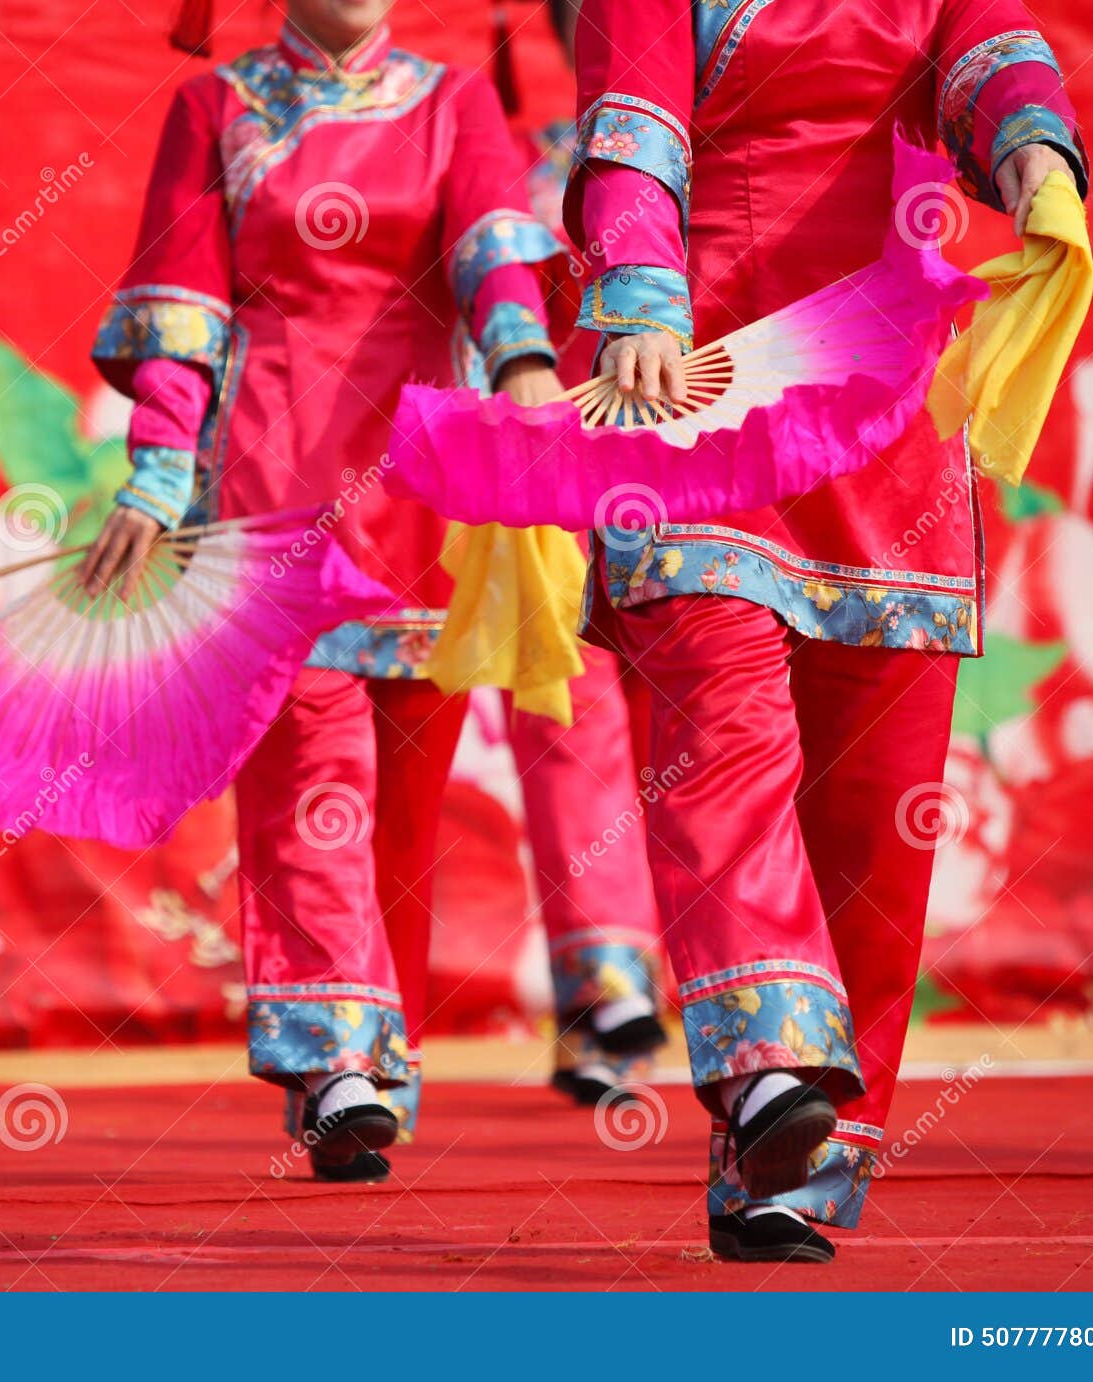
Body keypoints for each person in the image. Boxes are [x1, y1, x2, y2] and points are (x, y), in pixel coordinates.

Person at [563, 0, 1086, 1261]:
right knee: (723, 737)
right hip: (699, 382)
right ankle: (767, 1072)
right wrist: (641, 303)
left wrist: (1034, 155)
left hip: (885, 404)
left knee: (875, 806)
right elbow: (630, 133)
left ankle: (795, 1166)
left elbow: (993, 56)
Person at [86, 0, 564, 1181]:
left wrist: (524, 362)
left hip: (422, 484)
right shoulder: (217, 108)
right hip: (270, 477)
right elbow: (183, 308)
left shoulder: (454, 103)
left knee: (402, 807)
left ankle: (372, 1062)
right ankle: (335, 1057)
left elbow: (493, 249)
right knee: (310, 774)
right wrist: (158, 474)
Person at [490, 0, 669, 1106]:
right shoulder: (508, 154)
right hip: (553, 466)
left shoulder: (714, 156)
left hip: (687, 453)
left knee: (702, 722)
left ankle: (702, 989)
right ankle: (609, 991)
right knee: (568, 713)